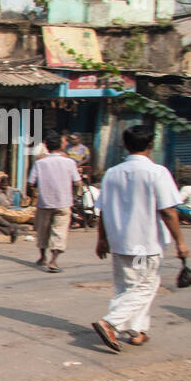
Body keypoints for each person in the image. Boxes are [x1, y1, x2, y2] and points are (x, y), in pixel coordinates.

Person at [92, 126, 188, 350]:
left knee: (127, 288)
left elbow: (103, 210)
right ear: (150, 145)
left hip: (120, 242)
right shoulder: (157, 173)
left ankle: (137, 330)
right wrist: (181, 242)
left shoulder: (112, 173)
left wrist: (102, 239)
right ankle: (111, 323)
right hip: (145, 245)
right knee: (144, 287)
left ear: (125, 145)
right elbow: (168, 211)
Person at [26, 133, 81, 272]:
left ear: (47, 146)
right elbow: (77, 182)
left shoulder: (40, 163)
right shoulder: (69, 162)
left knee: (42, 230)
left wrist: (35, 193)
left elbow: (30, 183)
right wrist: (74, 197)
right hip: (64, 202)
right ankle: (54, 261)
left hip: (44, 202)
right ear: (62, 146)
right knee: (60, 232)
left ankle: (42, 257)